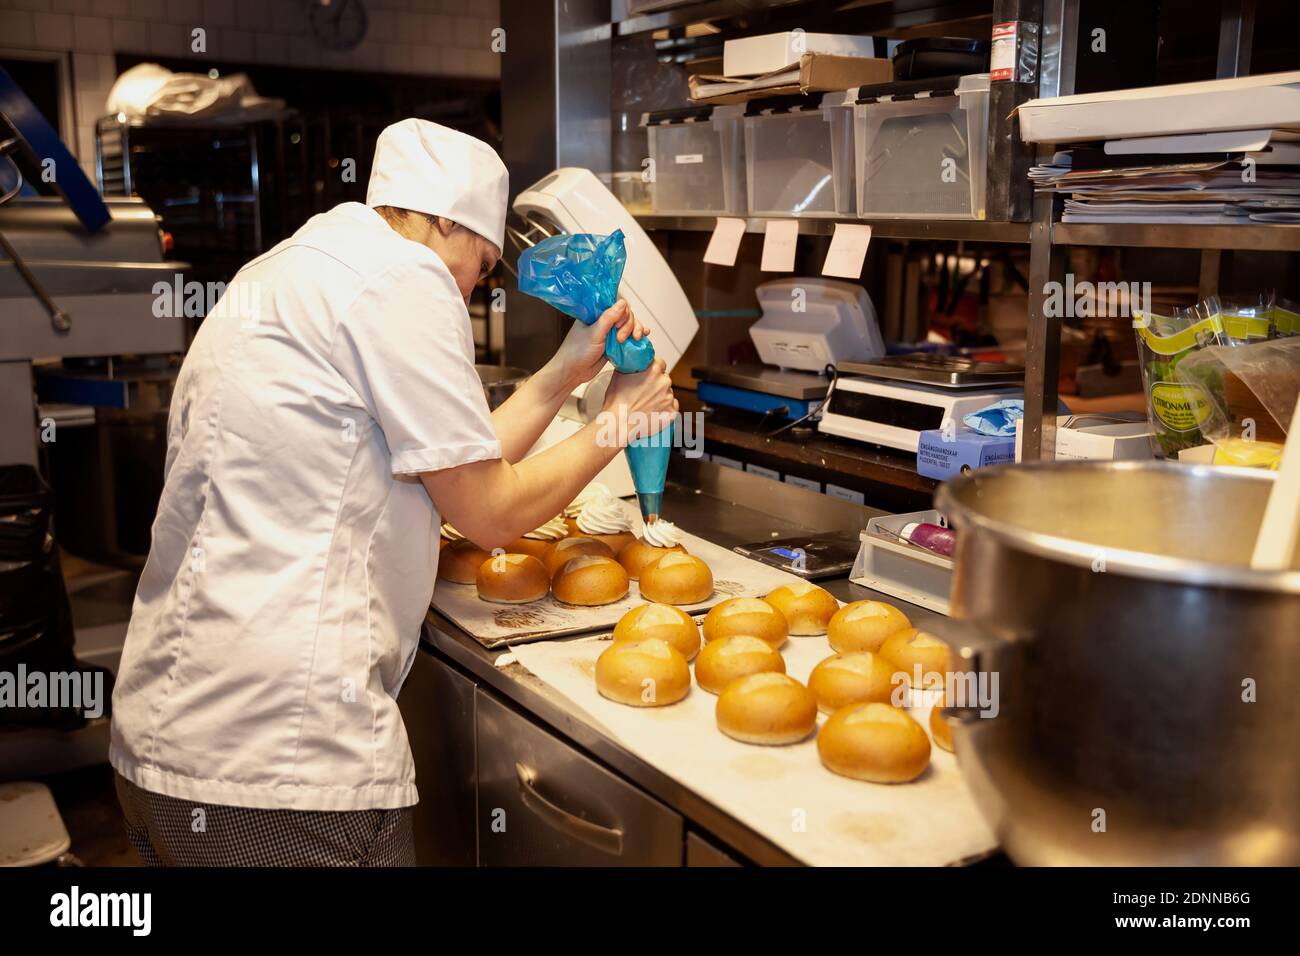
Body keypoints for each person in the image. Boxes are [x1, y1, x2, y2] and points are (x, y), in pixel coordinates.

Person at [110, 119, 677, 865]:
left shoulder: (290, 269)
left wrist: (565, 374)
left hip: (165, 746)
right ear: (446, 219)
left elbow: (453, 468)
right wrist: (615, 425)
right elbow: (489, 514)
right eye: (482, 260)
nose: (478, 284)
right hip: (280, 773)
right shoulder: (407, 279)